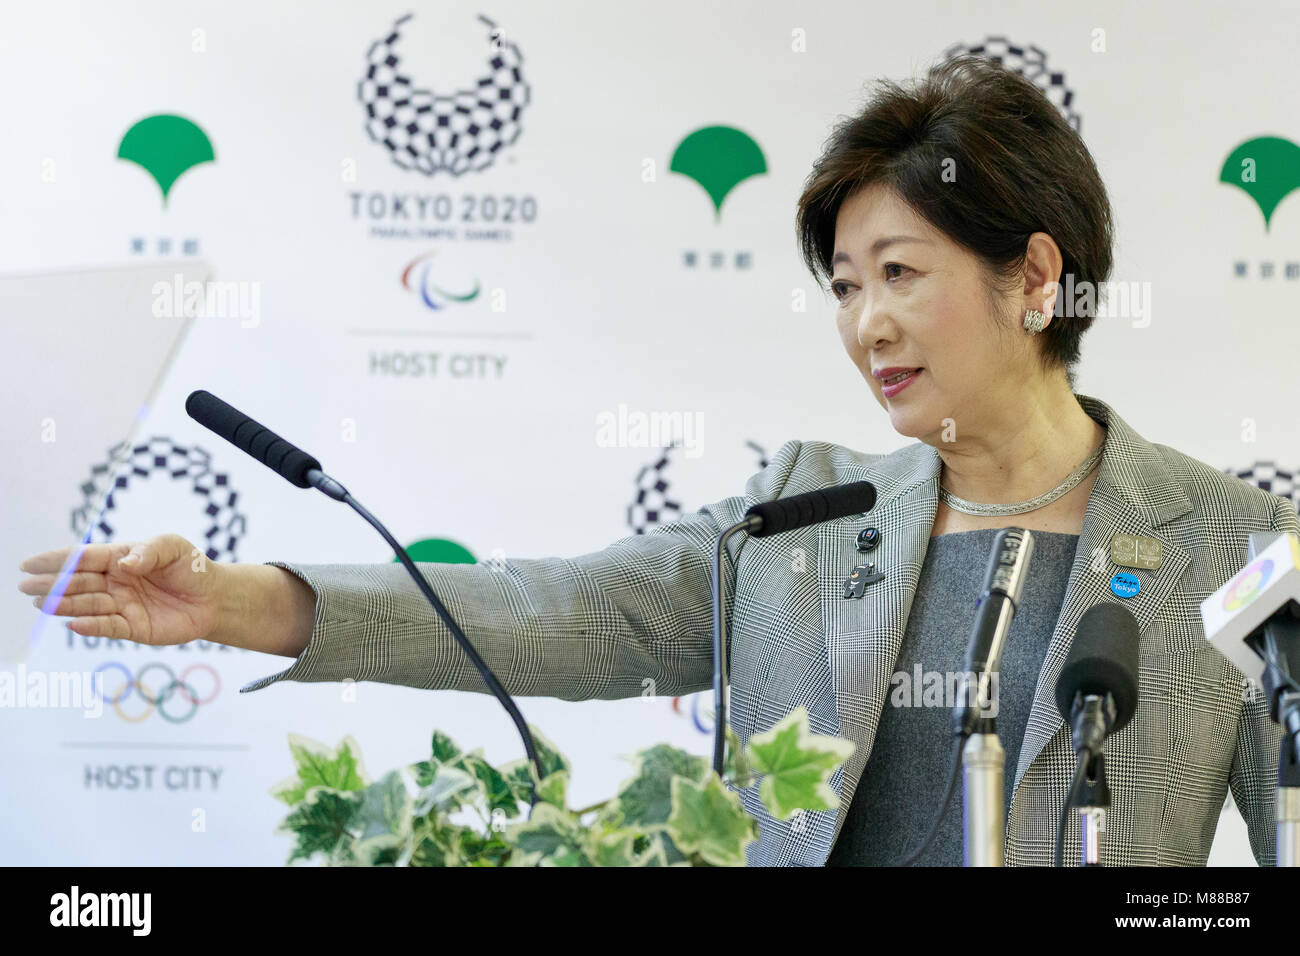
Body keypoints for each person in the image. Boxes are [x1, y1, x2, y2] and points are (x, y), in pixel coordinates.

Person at [19, 56, 1297, 866]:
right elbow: (559, 613)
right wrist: (238, 601)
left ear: (1032, 278)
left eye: (900, 274)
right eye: (847, 286)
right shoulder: (804, 512)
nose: (867, 324)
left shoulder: (1228, 543)